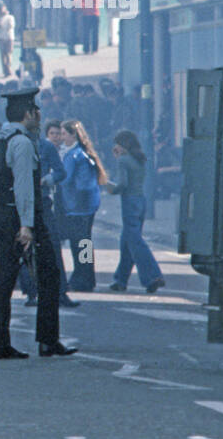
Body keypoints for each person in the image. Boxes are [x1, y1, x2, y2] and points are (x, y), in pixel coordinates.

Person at [0, 89, 77, 359]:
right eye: (36, 111)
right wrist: (26, 226)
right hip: (22, 217)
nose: (39, 116)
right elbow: (24, 187)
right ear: (27, 114)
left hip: (2, 214)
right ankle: (48, 340)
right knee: (49, 275)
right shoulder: (23, 143)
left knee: (3, 277)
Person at [20, 121, 76, 309]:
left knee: (53, 246)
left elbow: (61, 172)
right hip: (23, 202)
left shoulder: (46, 147)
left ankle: (61, 290)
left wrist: (47, 179)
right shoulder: (16, 145)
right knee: (27, 248)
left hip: (45, 202)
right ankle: (31, 291)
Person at [107, 130, 165, 294]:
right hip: (141, 202)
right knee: (126, 241)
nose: (115, 147)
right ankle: (120, 280)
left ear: (123, 144)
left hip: (129, 202)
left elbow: (122, 184)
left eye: (117, 144)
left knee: (135, 241)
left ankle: (153, 276)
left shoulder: (123, 161)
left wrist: (109, 186)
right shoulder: (140, 159)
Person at [60, 118, 105, 293]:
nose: (62, 137)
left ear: (73, 135)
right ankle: (85, 276)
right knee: (82, 243)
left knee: (81, 244)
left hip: (79, 207)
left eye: (64, 133)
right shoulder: (81, 153)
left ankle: (83, 278)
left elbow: (67, 178)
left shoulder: (75, 155)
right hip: (84, 207)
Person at [0, 2, 16, 77]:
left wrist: (4, 26)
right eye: (0, 8)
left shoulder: (10, 17)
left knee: (9, 54)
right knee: (3, 55)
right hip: (1, 38)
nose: (1, 10)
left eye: (3, 8)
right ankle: (5, 71)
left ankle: (9, 69)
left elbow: (11, 26)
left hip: (9, 38)